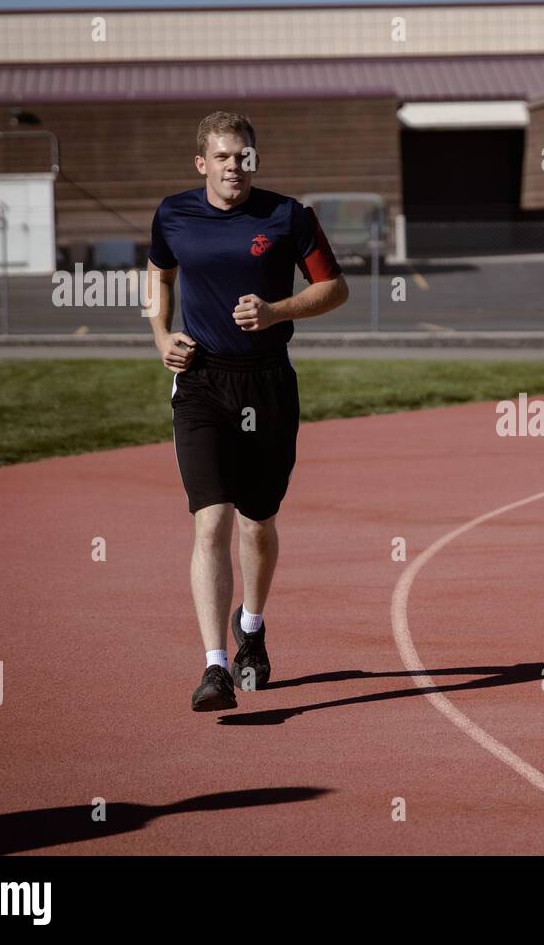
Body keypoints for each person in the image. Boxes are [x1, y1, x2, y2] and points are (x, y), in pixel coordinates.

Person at [146, 111, 349, 711]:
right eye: (225, 157)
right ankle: (213, 668)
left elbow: (334, 289)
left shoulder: (287, 215)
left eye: (244, 157)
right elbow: (158, 276)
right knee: (211, 519)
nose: (236, 167)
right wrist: (161, 335)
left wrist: (277, 310)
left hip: (267, 384)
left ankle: (251, 631)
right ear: (201, 163)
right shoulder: (173, 214)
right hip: (201, 382)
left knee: (257, 522)